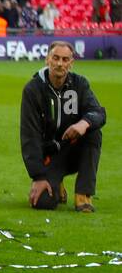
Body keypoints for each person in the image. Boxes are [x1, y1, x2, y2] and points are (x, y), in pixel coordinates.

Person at [21, 42, 106, 213]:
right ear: (47, 60)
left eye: (65, 59)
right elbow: (29, 136)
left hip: (73, 150)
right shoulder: (33, 90)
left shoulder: (80, 84)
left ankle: (83, 195)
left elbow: (98, 112)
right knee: (43, 203)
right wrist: (38, 176)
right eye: (56, 58)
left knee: (93, 132)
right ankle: (56, 183)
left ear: (71, 63)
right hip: (50, 157)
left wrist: (84, 123)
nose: (60, 63)